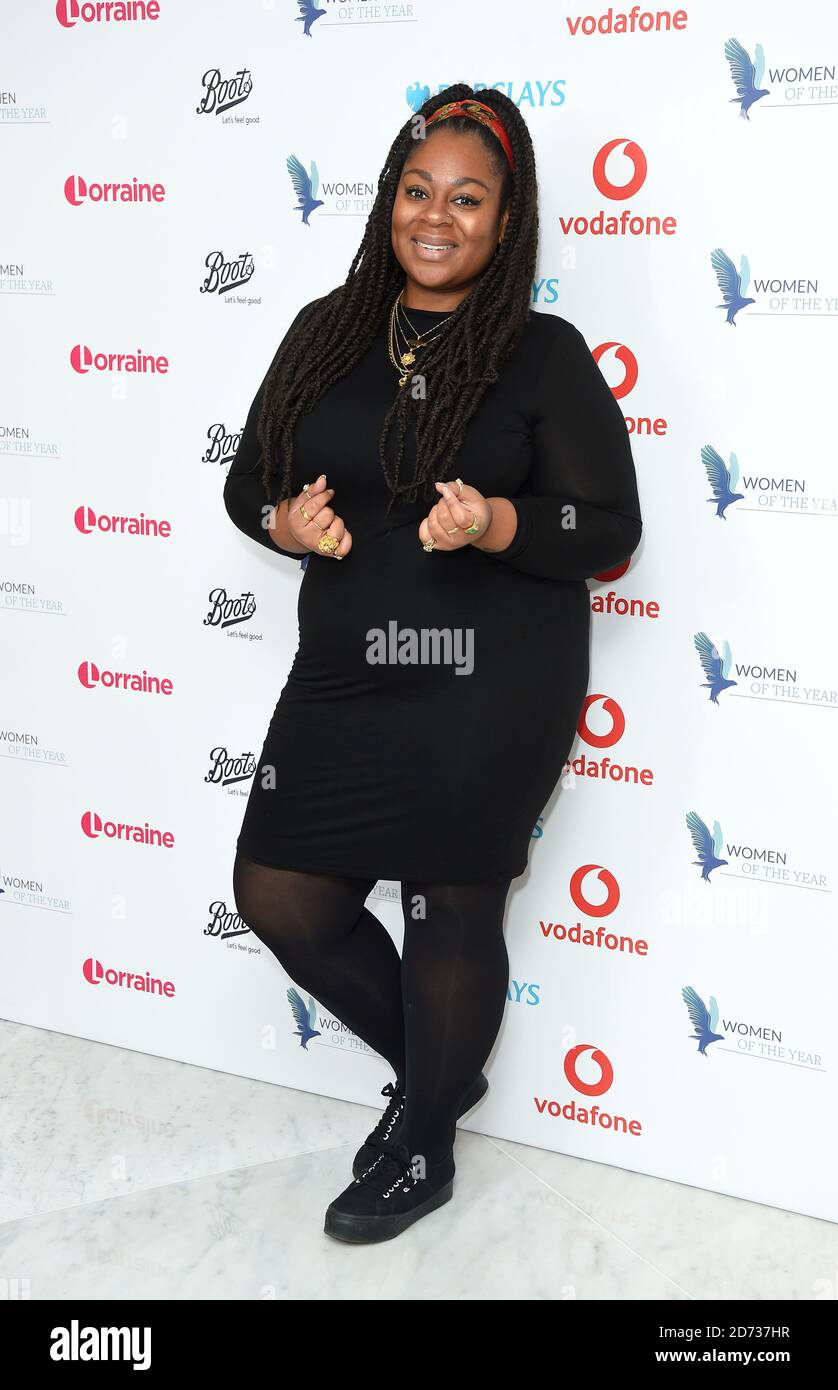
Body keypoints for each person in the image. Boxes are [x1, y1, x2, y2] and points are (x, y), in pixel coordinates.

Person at [223, 84, 643, 1244]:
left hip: (488, 680)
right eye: (419, 191)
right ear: (389, 201)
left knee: (449, 911)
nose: (438, 216)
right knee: (281, 896)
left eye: (469, 197)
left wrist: (498, 524)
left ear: (506, 222)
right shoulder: (325, 330)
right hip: (347, 669)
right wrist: (286, 526)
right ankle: (437, 1077)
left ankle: (422, 1146)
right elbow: (243, 483)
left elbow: (610, 530)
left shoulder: (541, 355)